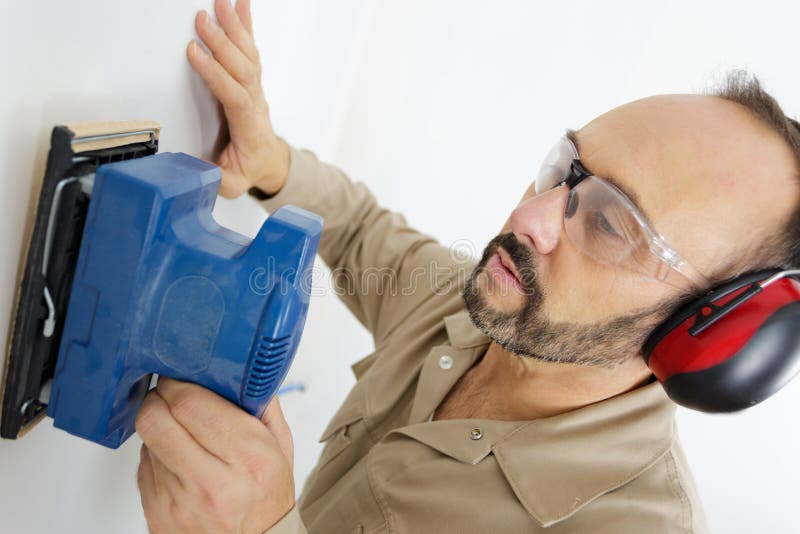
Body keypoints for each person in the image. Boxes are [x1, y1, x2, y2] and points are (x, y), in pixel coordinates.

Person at [133, 1, 800, 532]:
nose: (530, 218)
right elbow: (364, 231)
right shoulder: (471, 312)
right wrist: (268, 161)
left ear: (710, 337)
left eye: (606, 222)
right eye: (564, 170)